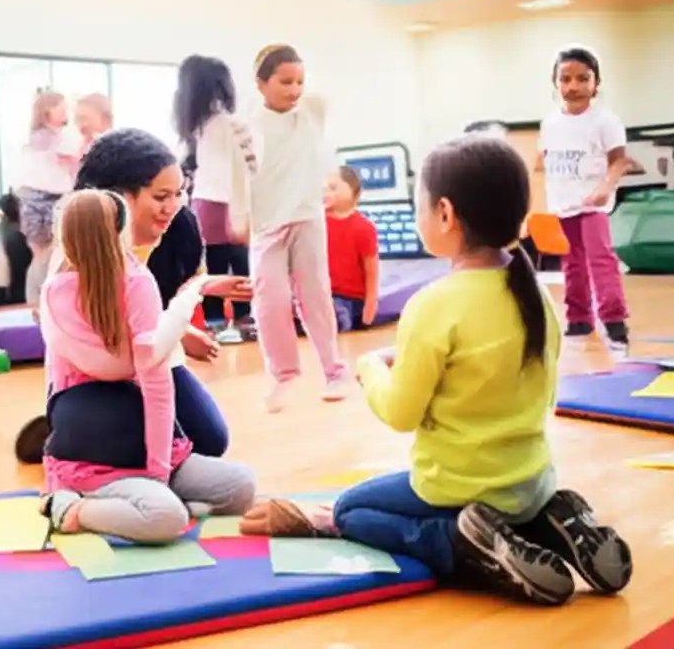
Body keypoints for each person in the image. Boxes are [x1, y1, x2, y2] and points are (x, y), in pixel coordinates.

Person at [241, 136, 632, 606]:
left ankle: (469, 544)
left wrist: (368, 368)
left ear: (445, 214)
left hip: (457, 483)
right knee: (479, 500)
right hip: (530, 481)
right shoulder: (536, 297)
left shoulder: (434, 303)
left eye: (419, 205)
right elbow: (541, 394)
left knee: (351, 511)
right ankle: (544, 524)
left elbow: (401, 413)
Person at [14, 129, 247, 464]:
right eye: (160, 196)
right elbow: (90, 344)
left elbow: (152, 313)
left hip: (148, 355)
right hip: (97, 368)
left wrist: (179, 332)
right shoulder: (78, 252)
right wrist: (170, 337)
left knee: (209, 439)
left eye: (178, 193)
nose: (172, 206)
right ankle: (69, 431)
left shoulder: (177, 232)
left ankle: (91, 434)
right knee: (133, 441)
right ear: (120, 197)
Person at [38, 189, 256, 543]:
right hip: (95, 453)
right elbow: (60, 383)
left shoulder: (136, 283)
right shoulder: (57, 291)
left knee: (241, 487)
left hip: (145, 441)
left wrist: (159, 470)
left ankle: (147, 494)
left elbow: (156, 383)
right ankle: (68, 508)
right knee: (166, 518)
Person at [247, 45, 344, 411]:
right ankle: (284, 375)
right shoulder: (249, 125)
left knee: (315, 295)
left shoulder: (312, 111)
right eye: (285, 82)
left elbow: (317, 90)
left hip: (307, 216)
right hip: (267, 225)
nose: (294, 89)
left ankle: (334, 369)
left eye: (299, 81)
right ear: (261, 85)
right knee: (270, 301)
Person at [535, 46, 631, 347]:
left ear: (595, 83)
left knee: (601, 260)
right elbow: (543, 164)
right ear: (556, 82)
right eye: (565, 79)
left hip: (592, 205)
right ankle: (579, 319)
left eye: (582, 79)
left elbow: (619, 160)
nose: (573, 86)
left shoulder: (605, 121)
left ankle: (614, 320)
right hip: (562, 205)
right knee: (571, 264)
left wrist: (605, 188)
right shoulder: (550, 124)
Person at [174, 54, 255, 339]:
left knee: (217, 263)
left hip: (213, 201)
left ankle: (219, 319)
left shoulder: (202, 125)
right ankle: (238, 318)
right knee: (232, 261)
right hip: (224, 200)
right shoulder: (217, 124)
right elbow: (249, 165)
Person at [16, 90, 80, 305]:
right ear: (45, 111)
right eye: (59, 107)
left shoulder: (53, 137)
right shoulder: (45, 138)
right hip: (42, 199)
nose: (64, 111)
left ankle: (43, 302)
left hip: (50, 198)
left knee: (48, 255)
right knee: (44, 255)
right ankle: (38, 303)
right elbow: (70, 158)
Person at [325, 165, 380, 331]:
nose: (326, 193)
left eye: (333, 188)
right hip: (322, 292)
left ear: (353, 190)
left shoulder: (364, 227)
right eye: (324, 189)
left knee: (339, 309)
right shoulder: (317, 224)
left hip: (350, 298)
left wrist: (370, 304)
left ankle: (335, 318)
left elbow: (371, 268)